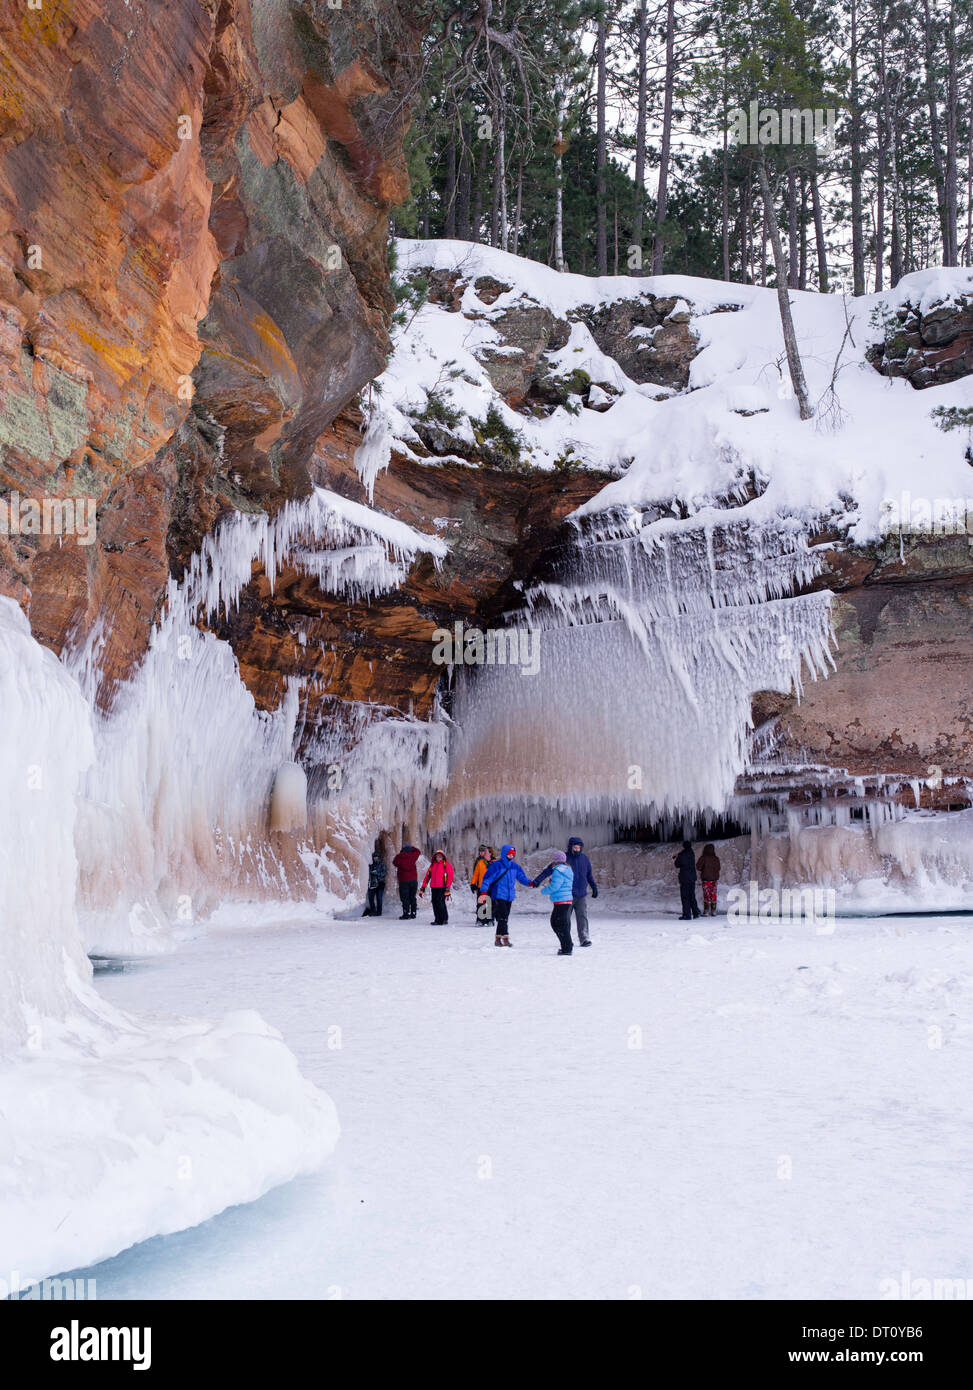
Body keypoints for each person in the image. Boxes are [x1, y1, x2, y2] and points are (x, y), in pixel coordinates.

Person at [533, 835, 599, 947]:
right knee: (565, 918)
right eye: (575, 847)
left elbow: (589, 875)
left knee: (582, 916)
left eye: (579, 847)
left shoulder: (584, 859)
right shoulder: (563, 858)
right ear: (570, 847)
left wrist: (594, 887)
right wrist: (537, 880)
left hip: (581, 894)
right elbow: (548, 870)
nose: (577, 849)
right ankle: (567, 940)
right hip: (568, 895)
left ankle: (584, 938)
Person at [479, 843, 532, 947]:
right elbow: (487, 878)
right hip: (498, 895)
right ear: (504, 854)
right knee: (503, 917)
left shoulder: (515, 867)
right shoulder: (496, 866)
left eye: (513, 854)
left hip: (509, 896)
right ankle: (505, 938)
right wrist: (484, 891)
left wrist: (530, 882)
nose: (511, 856)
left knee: (504, 918)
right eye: (509, 854)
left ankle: (498, 939)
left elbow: (522, 878)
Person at [540, 851, 575, 955]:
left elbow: (556, 886)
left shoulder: (558, 871)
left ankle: (567, 948)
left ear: (555, 861)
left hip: (561, 900)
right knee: (559, 923)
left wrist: (544, 890)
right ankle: (567, 945)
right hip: (565, 900)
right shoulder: (568, 870)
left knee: (557, 924)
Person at [420, 849, 454, 924]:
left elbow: (450, 877)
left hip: (442, 887)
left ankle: (443, 919)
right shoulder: (433, 865)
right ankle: (438, 919)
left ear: (443, 857)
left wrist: (448, 887)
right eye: (437, 857)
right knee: (434, 902)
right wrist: (423, 887)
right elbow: (427, 876)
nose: (438, 858)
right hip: (434, 887)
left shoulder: (446, 865)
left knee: (440, 902)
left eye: (440, 857)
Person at [392, 843, 421, 919]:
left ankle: (406, 913)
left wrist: (402, 852)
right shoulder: (413, 856)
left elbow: (394, 862)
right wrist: (412, 847)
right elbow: (418, 851)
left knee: (405, 898)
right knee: (412, 897)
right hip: (413, 880)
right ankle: (413, 913)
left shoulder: (399, 857)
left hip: (403, 880)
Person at [673, 840, 700, 920]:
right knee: (692, 896)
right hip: (692, 878)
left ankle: (687, 915)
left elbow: (677, 865)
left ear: (683, 846)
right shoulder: (692, 853)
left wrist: (677, 857)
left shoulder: (682, 855)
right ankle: (696, 913)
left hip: (685, 878)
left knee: (685, 897)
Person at [470, 845, 493, 925]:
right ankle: (480, 920)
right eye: (481, 851)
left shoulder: (494, 862)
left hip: (491, 886)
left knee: (489, 903)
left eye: (485, 852)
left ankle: (489, 919)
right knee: (481, 903)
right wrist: (473, 884)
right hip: (481, 886)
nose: (482, 853)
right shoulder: (479, 862)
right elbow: (475, 874)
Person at [696, 843, 721, 916]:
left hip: (706, 879)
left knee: (706, 895)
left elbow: (698, 867)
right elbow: (719, 868)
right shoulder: (716, 858)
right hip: (714, 880)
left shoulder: (703, 858)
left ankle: (706, 911)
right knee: (713, 894)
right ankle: (713, 911)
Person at [363, 850, 386, 917]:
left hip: (380, 883)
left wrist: (377, 873)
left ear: (379, 857)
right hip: (372, 884)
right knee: (371, 897)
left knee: (379, 898)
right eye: (374, 857)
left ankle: (379, 912)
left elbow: (384, 873)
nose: (375, 858)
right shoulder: (371, 865)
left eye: (376, 857)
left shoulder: (382, 865)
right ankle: (373, 911)